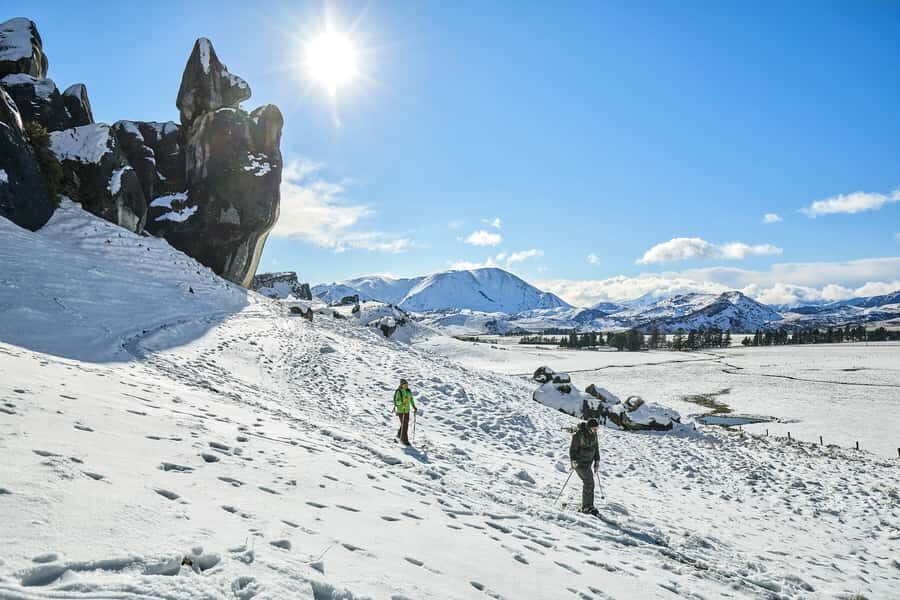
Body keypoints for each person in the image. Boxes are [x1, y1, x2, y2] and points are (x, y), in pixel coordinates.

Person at [569, 418, 600, 515]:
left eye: (596, 429)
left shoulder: (594, 435)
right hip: (579, 463)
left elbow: (596, 448)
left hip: (588, 463)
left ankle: (589, 506)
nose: (596, 430)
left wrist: (597, 461)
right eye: (594, 429)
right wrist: (573, 461)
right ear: (589, 427)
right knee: (589, 482)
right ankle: (586, 507)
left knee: (590, 483)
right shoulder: (579, 435)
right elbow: (572, 449)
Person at [393, 378, 417, 446]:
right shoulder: (399, 392)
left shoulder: (408, 391)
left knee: (404, 424)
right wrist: (402, 402)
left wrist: (414, 406)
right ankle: (404, 440)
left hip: (407, 410)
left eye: (407, 384)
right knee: (405, 425)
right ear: (402, 385)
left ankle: (399, 434)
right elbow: (397, 401)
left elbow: (411, 399)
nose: (407, 385)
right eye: (405, 384)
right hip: (401, 410)